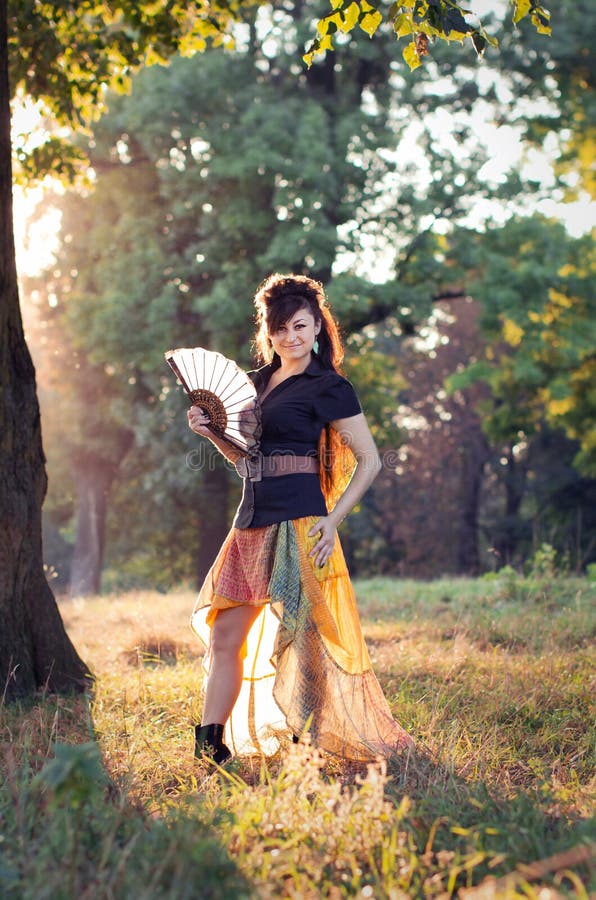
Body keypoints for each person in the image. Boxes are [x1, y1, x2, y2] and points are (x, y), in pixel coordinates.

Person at [187, 273, 413, 764]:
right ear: (268, 332)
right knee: (226, 636)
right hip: (250, 521)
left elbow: (370, 460)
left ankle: (306, 745)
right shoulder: (252, 385)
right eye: (280, 328)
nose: (290, 336)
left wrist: (333, 520)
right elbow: (245, 459)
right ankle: (209, 746)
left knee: (306, 640)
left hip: (302, 522)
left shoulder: (329, 386)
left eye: (300, 326)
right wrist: (211, 434)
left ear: (317, 329)